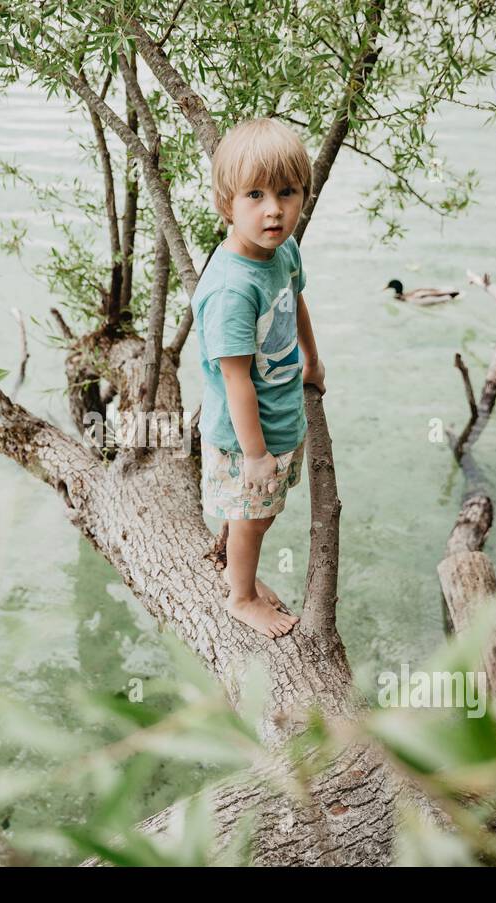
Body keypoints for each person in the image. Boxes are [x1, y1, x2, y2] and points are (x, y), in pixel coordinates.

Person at [193, 118, 326, 639]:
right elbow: (236, 382)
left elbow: (294, 303)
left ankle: (236, 549)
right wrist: (253, 455)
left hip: (281, 417)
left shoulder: (282, 251)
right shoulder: (230, 290)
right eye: (255, 194)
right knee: (253, 518)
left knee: (261, 514)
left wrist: (312, 361)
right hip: (243, 438)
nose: (273, 209)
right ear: (227, 204)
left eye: (287, 193)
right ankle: (241, 595)